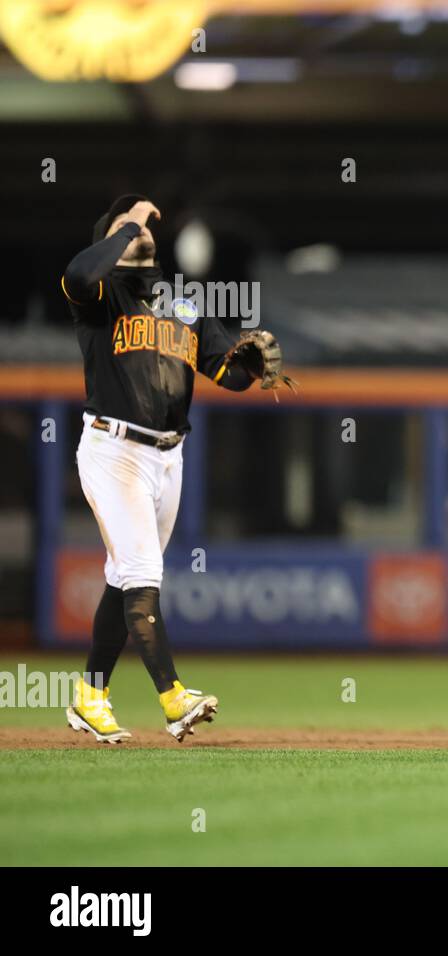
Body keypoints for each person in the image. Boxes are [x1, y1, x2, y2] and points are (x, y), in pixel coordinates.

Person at [63, 194, 284, 743]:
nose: (140, 230)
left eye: (144, 226)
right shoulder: (100, 297)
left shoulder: (184, 305)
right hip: (113, 450)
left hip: (168, 458)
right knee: (144, 574)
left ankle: (91, 695)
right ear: (109, 240)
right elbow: (75, 272)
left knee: (124, 577)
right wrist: (128, 223)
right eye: (124, 226)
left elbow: (224, 373)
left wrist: (250, 367)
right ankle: (173, 698)